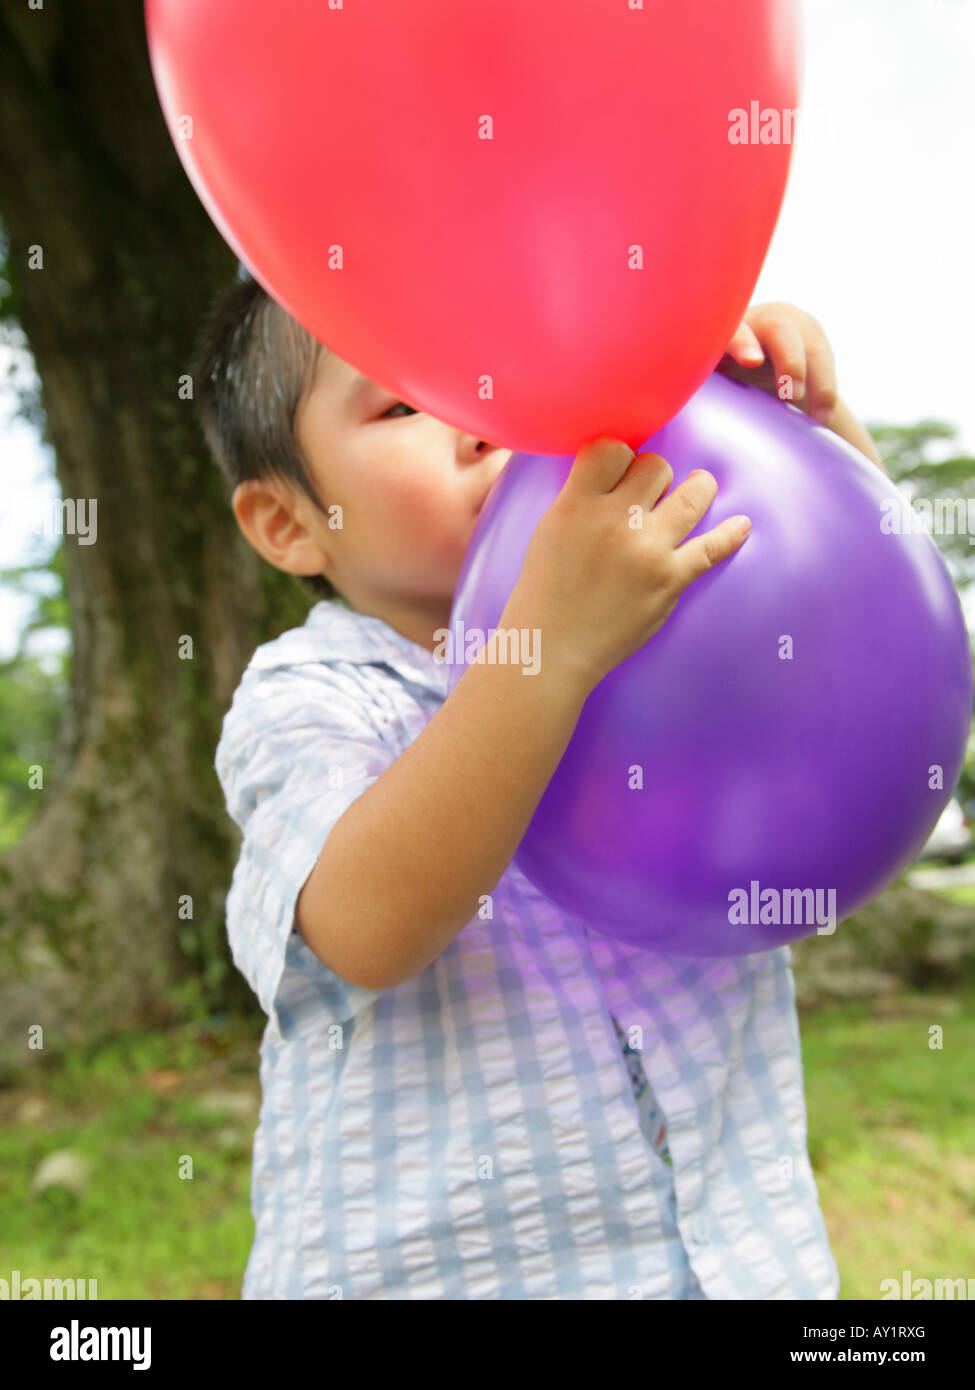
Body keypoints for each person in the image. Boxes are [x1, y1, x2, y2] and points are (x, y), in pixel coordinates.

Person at [196, 275, 880, 1299]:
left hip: (735, 1265)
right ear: (290, 522)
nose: (481, 421)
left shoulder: (691, 627)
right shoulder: (315, 695)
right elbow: (363, 927)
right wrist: (543, 652)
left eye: (501, 377)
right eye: (406, 403)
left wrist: (812, 439)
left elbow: (872, 659)